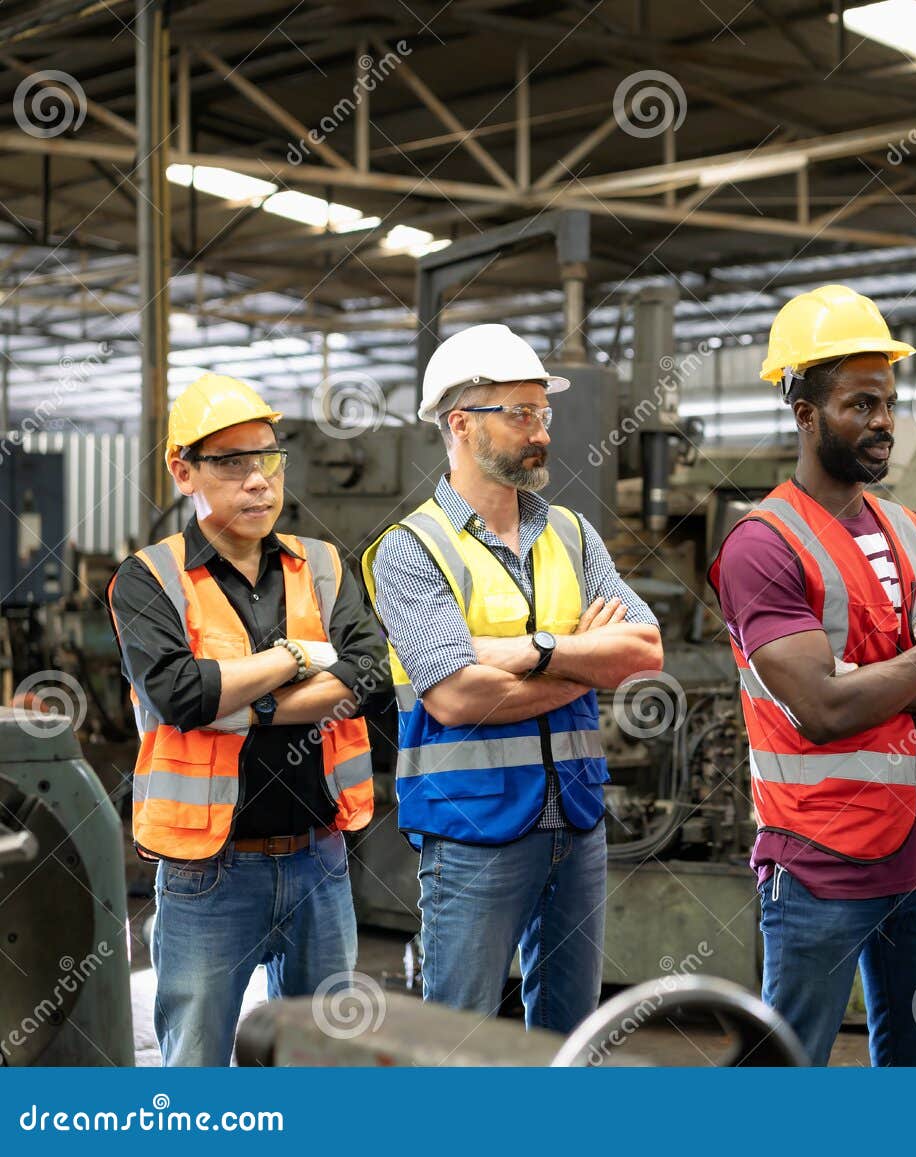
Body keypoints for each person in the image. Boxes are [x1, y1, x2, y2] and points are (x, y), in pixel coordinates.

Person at [708, 285, 916, 1067]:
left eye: (889, 403)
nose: (883, 423)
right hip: (816, 861)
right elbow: (823, 709)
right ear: (805, 412)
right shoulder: (763, 545)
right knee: (787, 1070)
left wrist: (882, 677)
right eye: (860, 403)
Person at [363, 323, 662, 1032]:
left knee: (570, 1042)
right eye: (521, 413)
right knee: (461, 1043)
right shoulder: (410, 550)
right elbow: (458, 695)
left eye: (543, 413)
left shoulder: (573, 533)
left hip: (578, 824)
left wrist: (529, 649)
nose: (541, 432)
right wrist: (580, 658)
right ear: (461, 424)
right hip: (472, 831)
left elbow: (644, 649)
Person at [109, 372, 387, 1066]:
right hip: (209, 872)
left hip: (319, 859)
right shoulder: (150, 579)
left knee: (319, 1062)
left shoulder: (321, 564)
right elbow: (182, 694)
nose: (259, 480)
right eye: (233, 464)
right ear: (183, 471)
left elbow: (371, 672)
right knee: (195, 1063)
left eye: (268, 458)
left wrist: (249, 698)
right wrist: (297, 657)